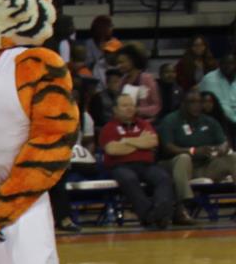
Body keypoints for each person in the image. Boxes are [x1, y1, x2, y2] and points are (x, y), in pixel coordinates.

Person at [99, 91, 174, 228]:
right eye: (124, 106)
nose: (129, 108)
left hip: (146, 165)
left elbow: (152, 142)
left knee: (163, 177)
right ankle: (148, 216)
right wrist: (140, 143)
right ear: (115, 109)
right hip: (120, 166)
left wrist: (126, 141)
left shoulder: (143, 124)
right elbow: (112, 150)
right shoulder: (108, 128)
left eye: (132, 105)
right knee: (128, 179)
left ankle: (159, 213)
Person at [160, 90, 235, 219]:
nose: (196, 105)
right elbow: (168, 148)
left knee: (233, 158)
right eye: (192, 102)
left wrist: (220, 150)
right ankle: (183, 206)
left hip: (204, 166)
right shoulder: (171, 120)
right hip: (175, 167)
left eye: (199, 102)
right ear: (183, 104)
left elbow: (224, 142)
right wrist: (193, 151)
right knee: (184, 158)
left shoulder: (209, 121)